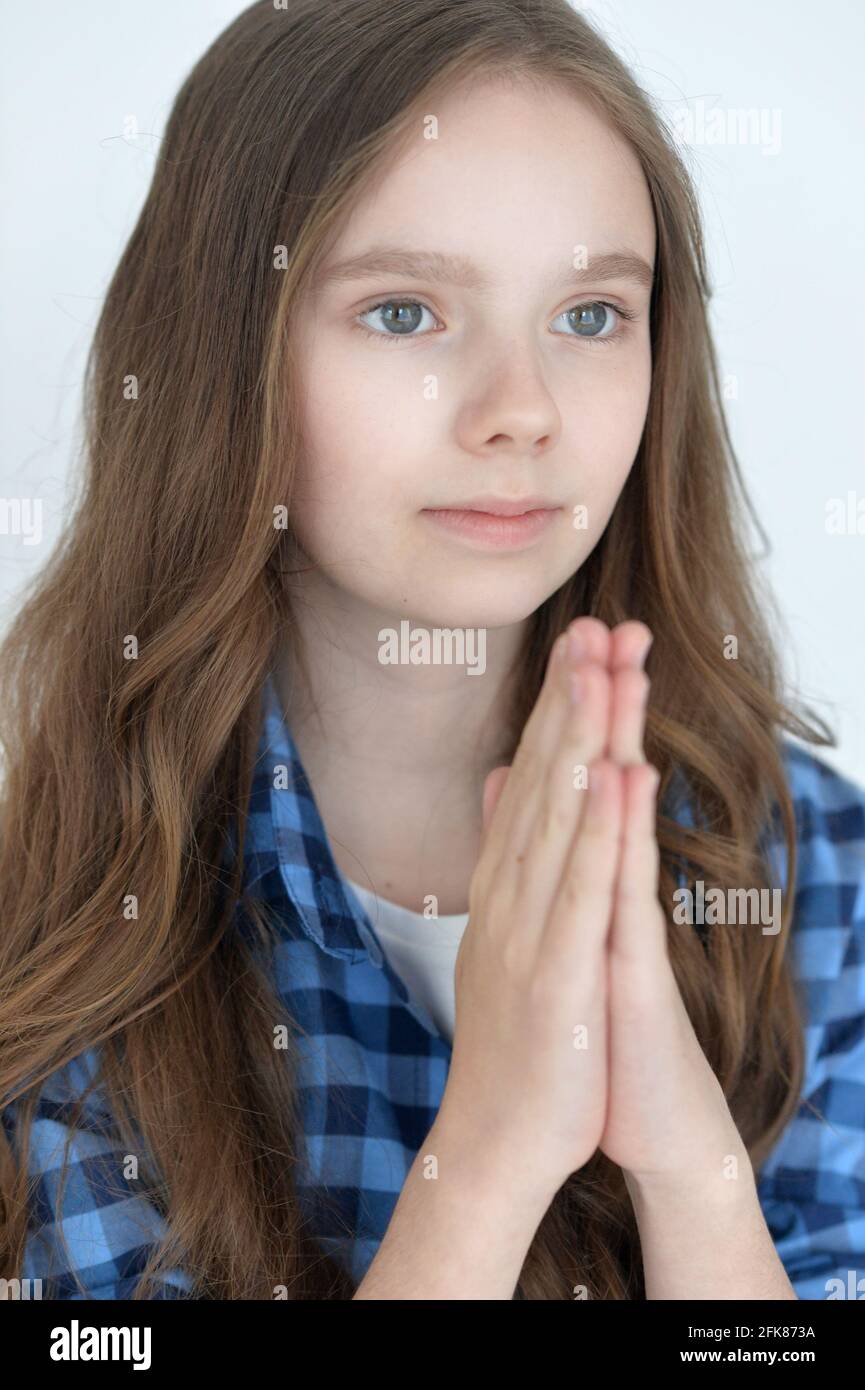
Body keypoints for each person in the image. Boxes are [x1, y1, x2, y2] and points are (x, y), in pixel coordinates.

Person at [1, 0, 863, 1301]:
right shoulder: (67, 907)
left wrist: (692, 1169)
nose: (519, 410)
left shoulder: (814, 870)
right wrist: (494, 1147)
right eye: (404, 314)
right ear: (222, 357)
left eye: (587, 315)